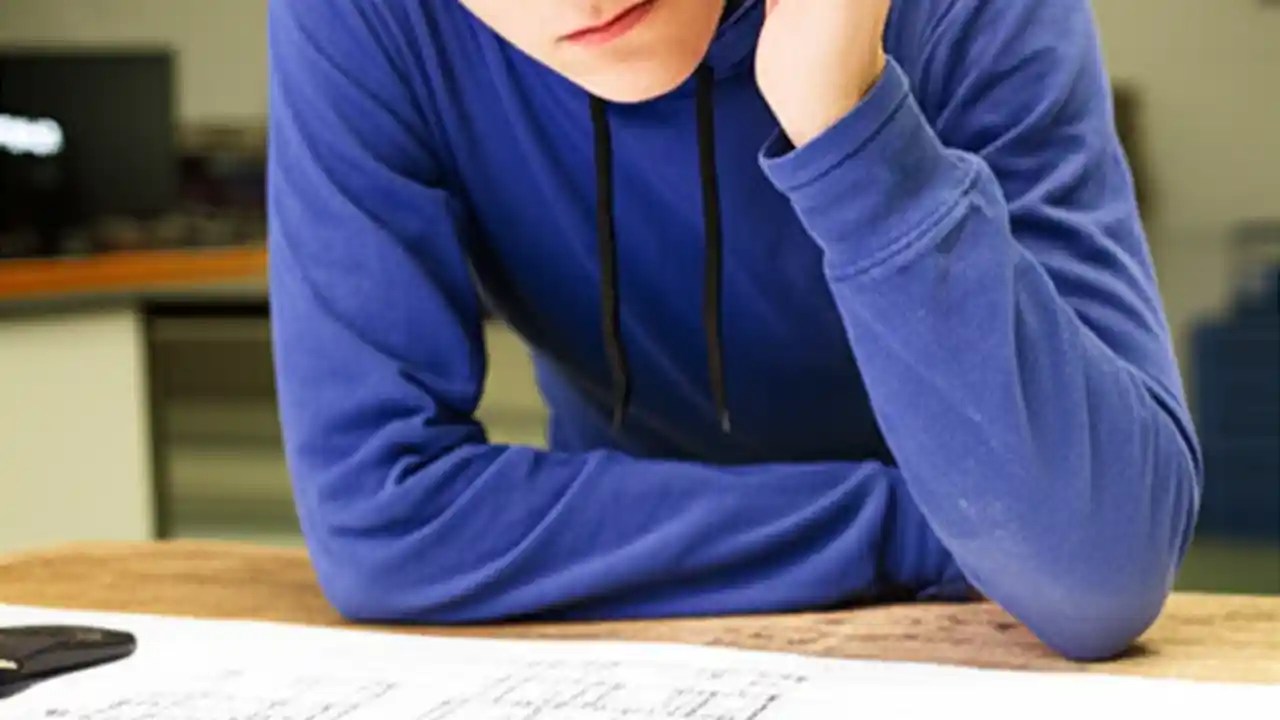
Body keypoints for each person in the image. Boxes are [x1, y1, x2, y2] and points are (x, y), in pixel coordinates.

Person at [267, 0, 1201, 661]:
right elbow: (382, 513)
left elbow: (1096, 574)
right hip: (628, 638)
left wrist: (849, 118)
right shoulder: (362, 15)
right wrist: (932, 534)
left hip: (969, 651)